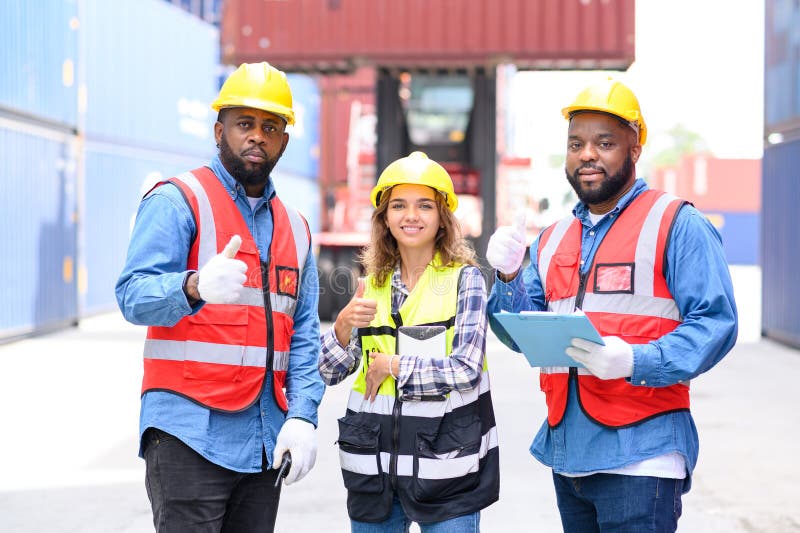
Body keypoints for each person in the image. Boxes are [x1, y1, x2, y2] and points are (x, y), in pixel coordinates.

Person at [486, 78, 738, 532]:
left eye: (605, 143)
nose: (587, 155)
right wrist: (506, 277)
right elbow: (517, 335)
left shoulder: (676, 223)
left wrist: (637, 360)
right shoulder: (553, 237)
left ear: (635, 148)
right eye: (576, 143)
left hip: (643, 455)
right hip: (570, 453)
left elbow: (716, 324)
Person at [116, 62, 325, 532]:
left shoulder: (295, 227)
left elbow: (306, 335)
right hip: (188, 434)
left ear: (284, 141)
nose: (257, 137)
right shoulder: (177, 200)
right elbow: (132, 295)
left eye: (270, 127)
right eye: (244, 124)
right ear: (218, 130)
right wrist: (192, 287)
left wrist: (304, 416)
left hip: (265, 439)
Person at [319, 152, 499, 532]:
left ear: (442, 217)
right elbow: (328, 372)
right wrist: (342, 328)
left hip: (449, 468)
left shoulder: (465, 280)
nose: (411, 216)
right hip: (375, 469)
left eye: (424, 206)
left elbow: (465, 369)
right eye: (398, 205)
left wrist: (392, 366)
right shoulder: (372, 283)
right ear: (385, 217)